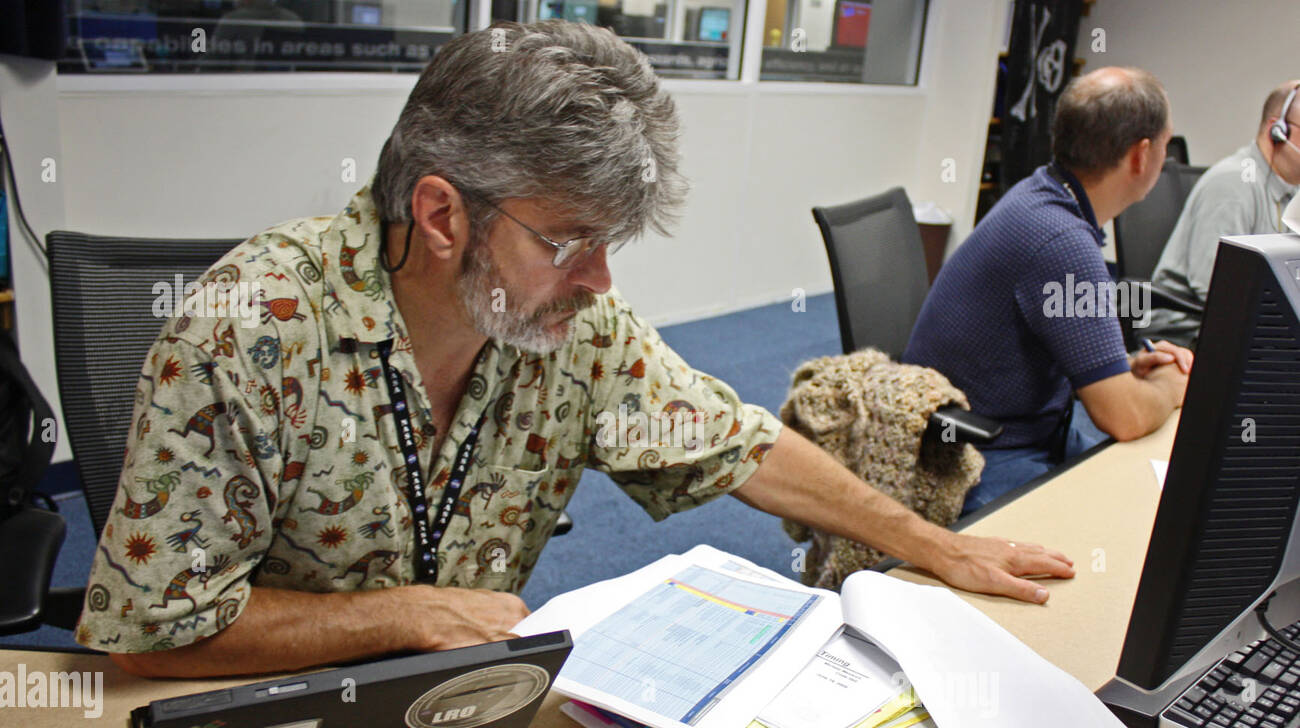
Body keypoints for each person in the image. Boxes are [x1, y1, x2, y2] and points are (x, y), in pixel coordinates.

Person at [76, 22, 1074, 678]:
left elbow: (741, 444)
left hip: (466, 717)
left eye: (609, 243)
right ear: (438, 214)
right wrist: (405, 614)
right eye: (565, 242)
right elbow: (153, 632)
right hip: (268, 726)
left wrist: (940, 545)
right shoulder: (248, 330)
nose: (598, 279)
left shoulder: (572, 332)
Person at [903, 67, 1193, 515]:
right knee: (1138, 521)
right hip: (980, 455)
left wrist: (1124, 369)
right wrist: (1171, 388)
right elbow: (1124, 417)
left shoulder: (1043, 194)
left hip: (1001, 424)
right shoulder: (1062, 241)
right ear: (1140, 156)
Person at [1145, 81, 1300, 349]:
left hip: (1249, 327)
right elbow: (1216, 289)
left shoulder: (1291, 193)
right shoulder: (1234, 184)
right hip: (1187, 330)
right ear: (1278, 130)